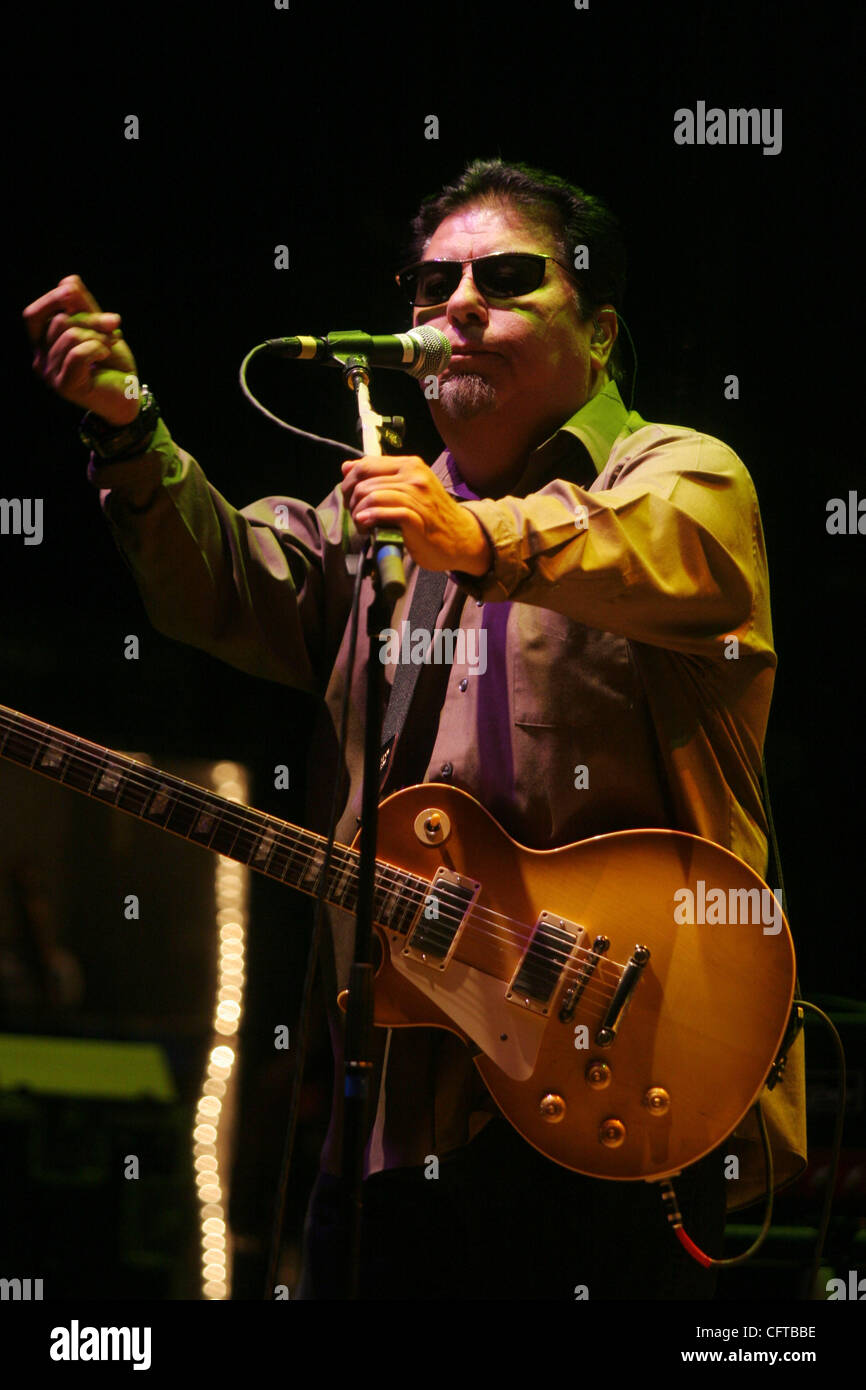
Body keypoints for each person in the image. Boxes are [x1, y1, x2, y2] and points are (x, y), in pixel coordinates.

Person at [23, 158, 806, 1301]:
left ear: (598, 331)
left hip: (629, 1092)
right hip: (396, 1109)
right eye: (433, 284)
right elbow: (219, 585)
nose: (459, 303)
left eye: (506, 276)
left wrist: (472, 534)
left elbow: (664, 549)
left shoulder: (681, 471)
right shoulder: (377, 523)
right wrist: (130, 428)